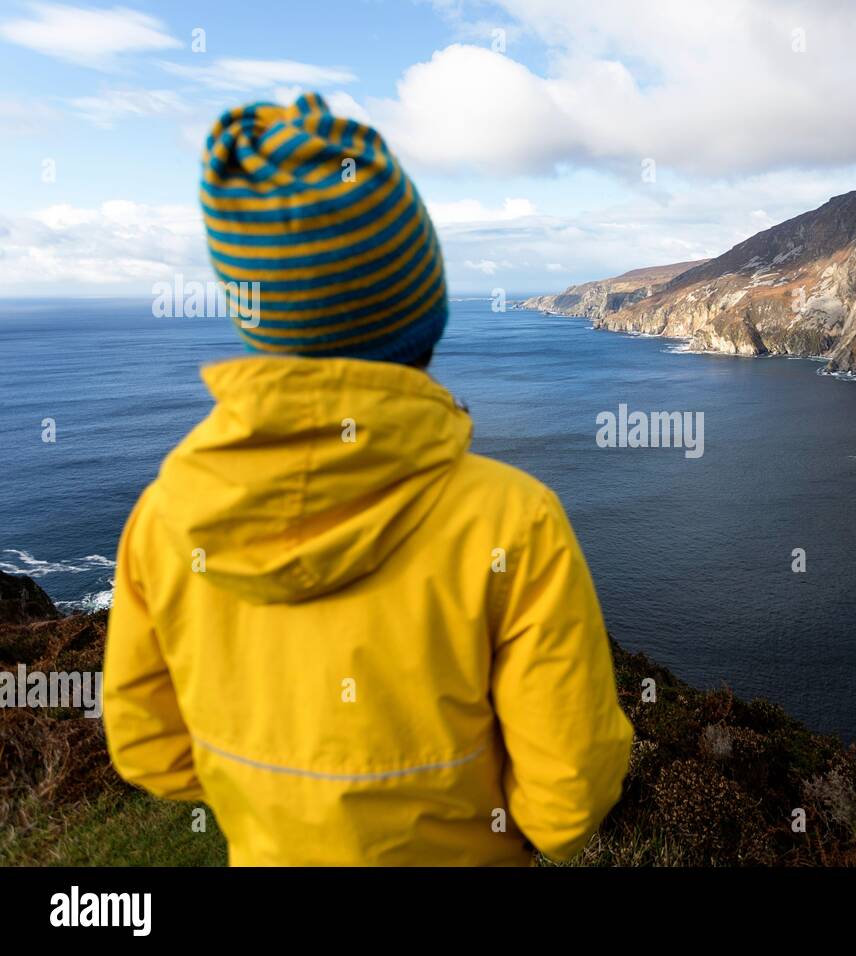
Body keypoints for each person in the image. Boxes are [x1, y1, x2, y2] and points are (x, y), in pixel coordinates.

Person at [102, 92, 633, 866]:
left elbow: (149, 749)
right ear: (426, 311)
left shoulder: (165, 519)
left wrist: (274, 807)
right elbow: (568, 797)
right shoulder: (514, 522)